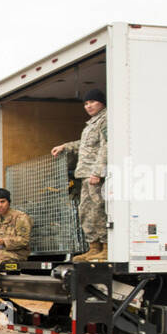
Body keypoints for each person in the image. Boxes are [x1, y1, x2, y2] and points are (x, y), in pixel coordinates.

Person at [52, 88, 108, 262]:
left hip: (94, 175)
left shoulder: (105, 120)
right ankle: (94, 247)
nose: (88, 106)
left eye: (92, 102)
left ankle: (106, 247)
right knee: (85, 210)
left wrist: (98, 172)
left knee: (98, 210)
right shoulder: (91, 123)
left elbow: (106, 146)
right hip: (84, 175)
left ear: (101, 102)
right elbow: (83, 145)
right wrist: (65, 146)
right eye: (85, 103)